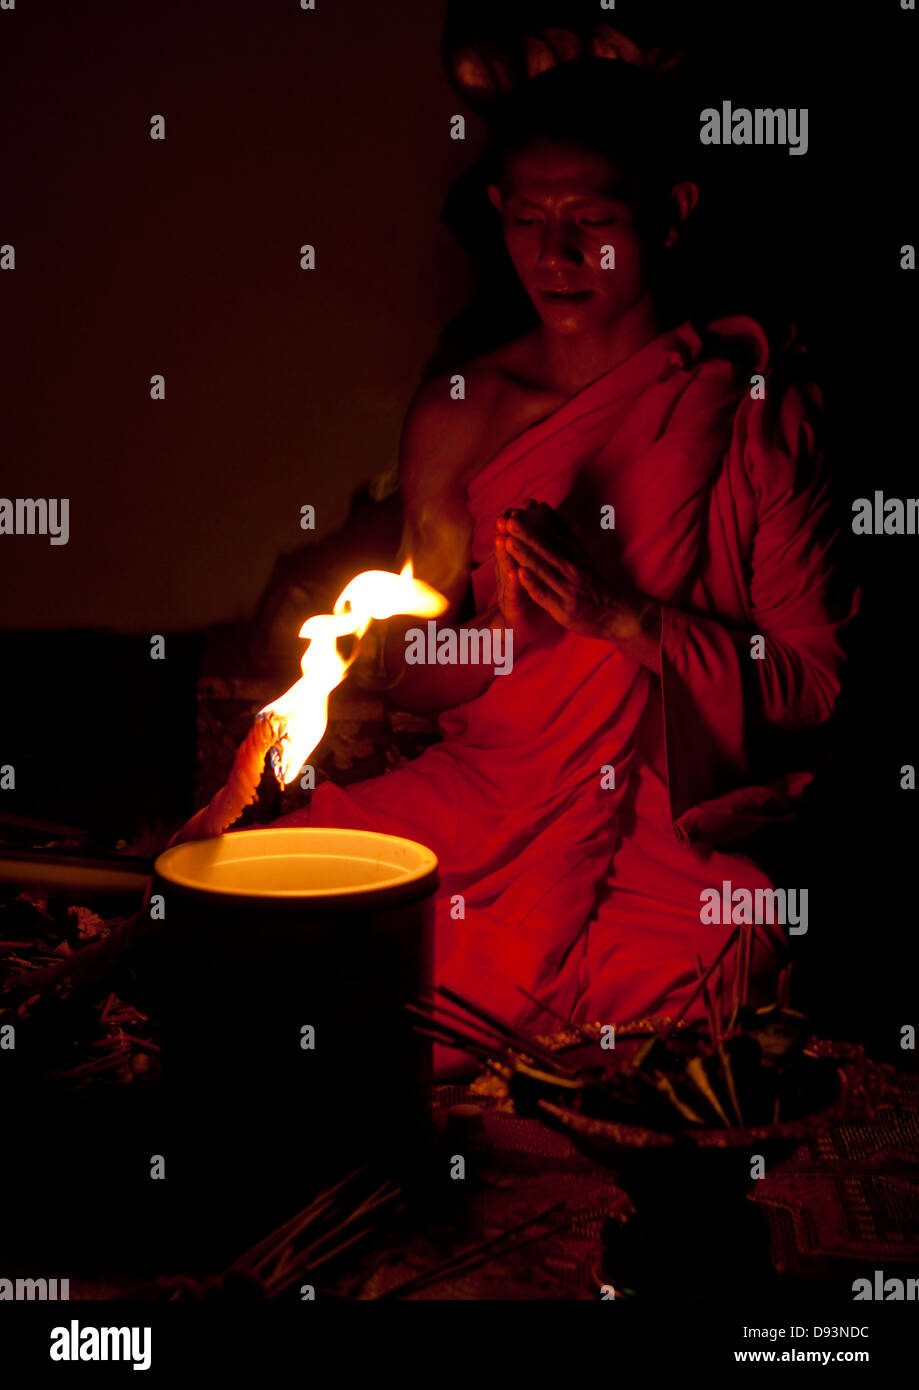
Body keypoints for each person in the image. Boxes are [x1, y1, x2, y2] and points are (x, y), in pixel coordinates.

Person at [268, 58, 856, 1052]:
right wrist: (502, 637)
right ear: (496, 207)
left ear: (670, 213)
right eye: (526, 219)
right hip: (491, 795)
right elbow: (414, 675)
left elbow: (812, 684)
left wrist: (621, 619)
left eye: (592, 220)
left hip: (665, 829)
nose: (555, 255)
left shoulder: (751, 404)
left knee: (722, 950)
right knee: (295, 891)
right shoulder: (468, 410)